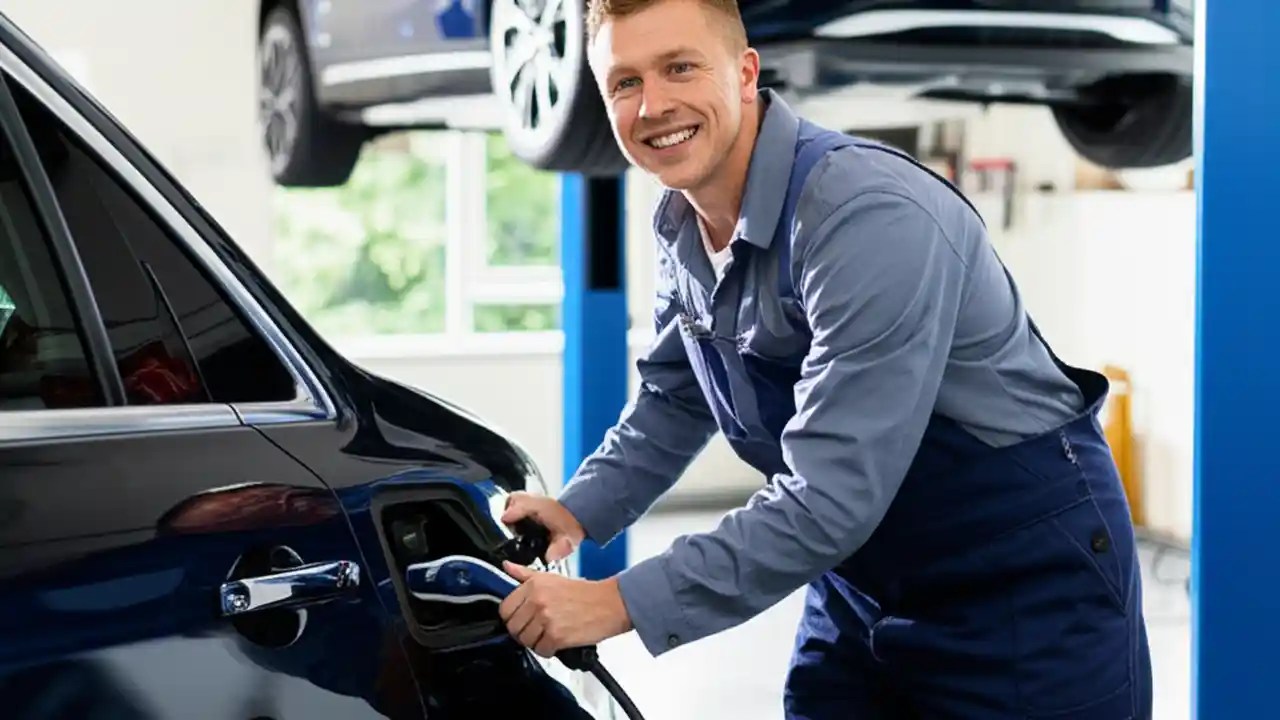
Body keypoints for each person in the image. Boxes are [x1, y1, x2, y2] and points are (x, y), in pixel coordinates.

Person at [495, 0, 1153, 717]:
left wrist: (619, 603)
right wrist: (576, 509)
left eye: (679, 67)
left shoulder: (864, 216)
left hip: (1019, 589)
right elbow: (676, 399)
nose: (653, 104)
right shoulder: (683, 222)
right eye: (625, 83)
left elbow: (833, 492)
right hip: (860, 583)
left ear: (745, 73)